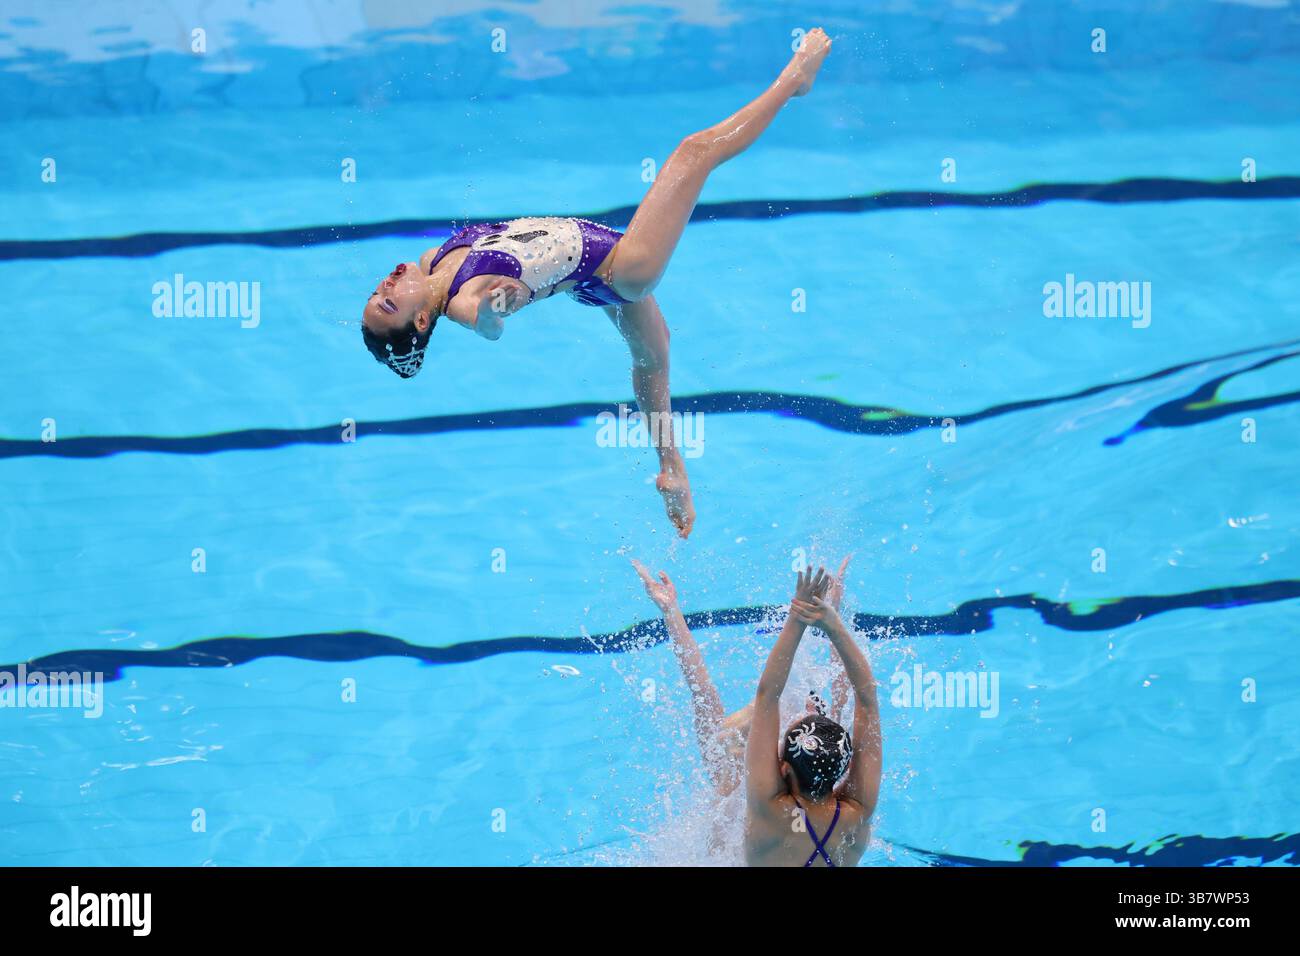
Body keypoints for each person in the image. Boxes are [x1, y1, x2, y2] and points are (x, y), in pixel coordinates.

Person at [360, 30, 834, 538]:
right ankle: (792, 82)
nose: (385, 284)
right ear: (424, 320)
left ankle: (674, 471)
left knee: (653, 362)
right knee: (694, 153)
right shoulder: (462, 303)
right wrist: (499, 308)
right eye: (389, 304)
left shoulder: (437, 259)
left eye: (375, 293)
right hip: (624, 266)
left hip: (592, 279)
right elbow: (488, 324)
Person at [631, 558, 880, 866]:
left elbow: (760, 697)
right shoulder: (856, 815)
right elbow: (865, 699)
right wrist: (832, 622)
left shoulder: (763, 803)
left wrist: (800, 614)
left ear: (783, 767)